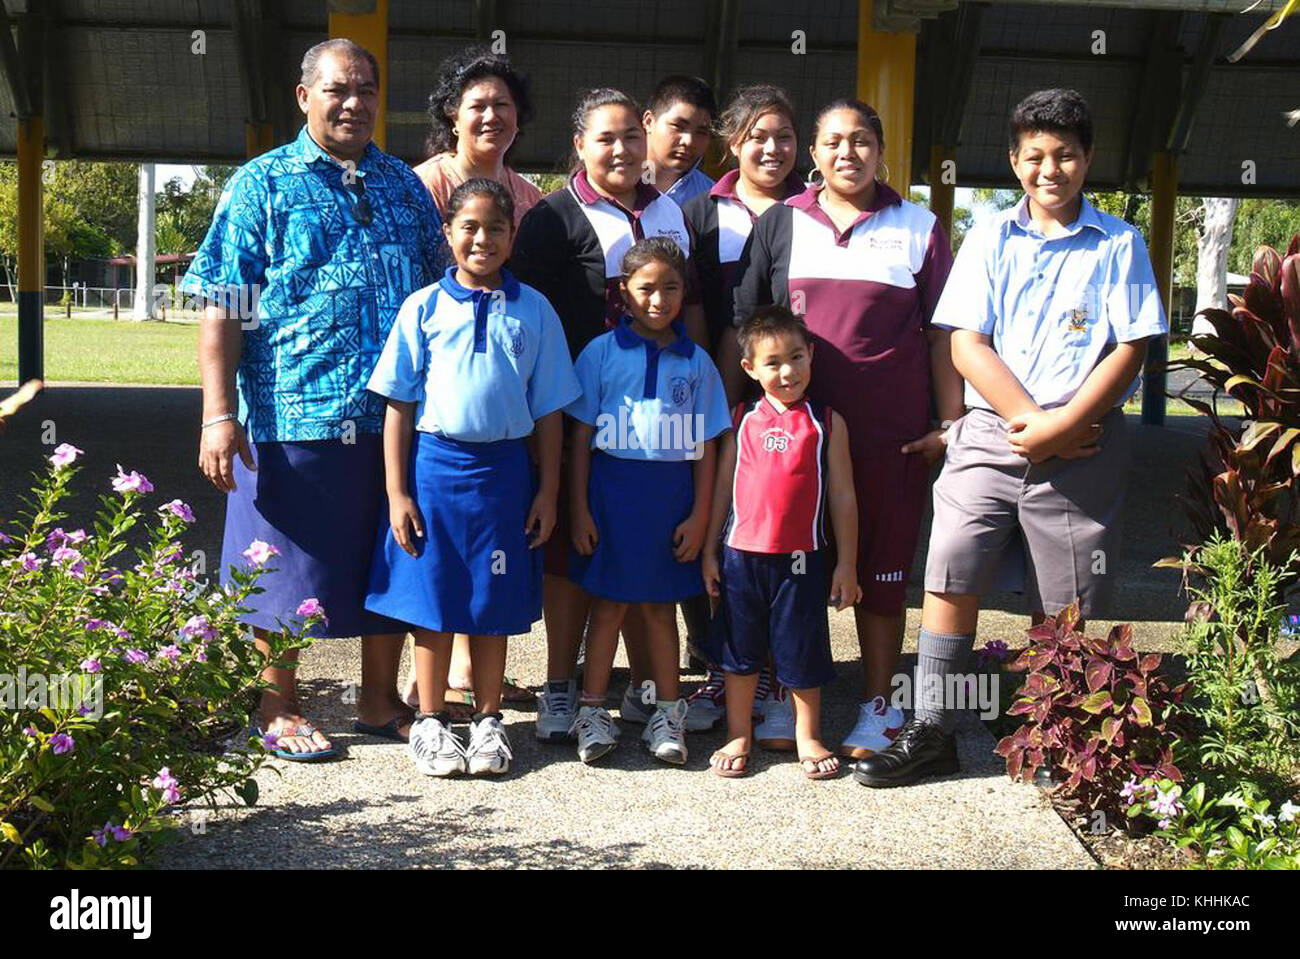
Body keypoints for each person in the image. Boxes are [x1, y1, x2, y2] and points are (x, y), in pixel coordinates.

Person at [855, 89, 1167, 788]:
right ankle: (934, 726)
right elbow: (966, 341)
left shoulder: (1121, 242)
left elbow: (1129, 349)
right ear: (1013, 160)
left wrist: (1063, 426)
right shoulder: (991, 236)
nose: (1048, 169)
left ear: (1088, 160)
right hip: (996, 434)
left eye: (1064, 155)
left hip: (1082, 440)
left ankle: (1057, 729)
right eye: (1034, 156)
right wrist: (1032, 424)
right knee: (950, 566)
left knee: (1068, 591)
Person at [185, 38, 446, 760]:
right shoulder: (260, 184)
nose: (355, 102)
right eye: (338, 89)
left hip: (394, 418)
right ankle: (278, 705)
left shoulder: (402, 185)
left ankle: (377, 699)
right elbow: (221, 302)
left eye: (366, 88)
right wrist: (217, 413)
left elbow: (440, 294)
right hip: (288, 414)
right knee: (281, 567)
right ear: (305, 98)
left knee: (390, 554)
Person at [732, 98, 962, 761]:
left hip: (891, 437)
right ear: (815, 154)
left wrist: (949, 422)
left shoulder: (919, 226)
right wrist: (738, 424)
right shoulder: (780, 223)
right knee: (787, 565)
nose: (847, 153)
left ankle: (879, 704)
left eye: (861, 141)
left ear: (881, 150)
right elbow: (748, 325)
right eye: (833, 141)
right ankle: (781, 690)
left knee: (881, 576)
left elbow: (944, 334)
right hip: (792, 440)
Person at [509, 88, 706, 745]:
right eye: (604, 138)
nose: (620, 150)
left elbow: (695, 306)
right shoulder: (553, 217)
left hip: (656, 421)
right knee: (571, 555)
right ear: (579, 146)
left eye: (629, 136)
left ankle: (648, 693)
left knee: (643, 552)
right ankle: (561, 688)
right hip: (576, 414)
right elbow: (528, 318)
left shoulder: (672, 211)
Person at [363, 179, 579, 776]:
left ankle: (487, 720)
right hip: (435, 470)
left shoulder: (535, 309)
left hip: (506, 474)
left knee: (491, 597)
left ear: (513, 236)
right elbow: (399, 406)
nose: (483, 239)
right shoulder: (422, 307)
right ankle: (430, 720)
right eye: (470, 227)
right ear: (449, 234)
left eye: (497, 228)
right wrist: (397, 492)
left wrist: (549, 491)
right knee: (434, 599)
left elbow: (550, 410)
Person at [407, 46, 542, 717]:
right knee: (440, 544)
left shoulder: (531, 198)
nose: (492, 115)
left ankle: (475, 669)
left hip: (502, 392)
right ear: (452, 115)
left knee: (491, 538)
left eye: (504, 105)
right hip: (435, 391)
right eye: (478, 103)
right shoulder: (422, 183)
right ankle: (436, 679)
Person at [564, 237, 730, 765]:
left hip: (672, 498)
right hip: (611, 494)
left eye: (671, 288)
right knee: (608, 605)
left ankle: (668, 713)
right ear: (623, 293)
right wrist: (580, 509)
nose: (658, 300)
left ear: (684, 292)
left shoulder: (698, 362)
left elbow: (707, 447)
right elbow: (580, 438)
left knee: (661, 611)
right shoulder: (599, 353)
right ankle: (592, 714)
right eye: (646, 288)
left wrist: (702, 516)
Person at [681, 83, 804, 732]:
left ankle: (782, 675)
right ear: (733, 143)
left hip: (792, 401)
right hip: (726, 396)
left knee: (785, 533)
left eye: (783, 136)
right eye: (758, 136)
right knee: (721, 533)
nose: (772, 148)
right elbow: (697, 307)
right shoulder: (703, 211)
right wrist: (714, 394)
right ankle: (718, 670)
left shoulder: (816, 211)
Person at [701, 306, 861, 779]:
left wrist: (846, 563)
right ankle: (739, 733)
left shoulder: (827, 422)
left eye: (796, 357)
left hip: (802, 560)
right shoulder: (740, 420)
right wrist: (710, 551)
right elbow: (720, 491)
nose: (787, 371)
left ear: (812, 355)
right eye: (772, 362)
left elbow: (844, 496)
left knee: (802, 648)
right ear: (749, 368)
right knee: (740, 650)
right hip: (740, 557)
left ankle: (807, 735)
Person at [643, 75, 717, 205]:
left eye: (701, 132)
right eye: (678, 126)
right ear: (649, 122)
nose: (688, 141)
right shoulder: (614, 183)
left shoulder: (711, 199)